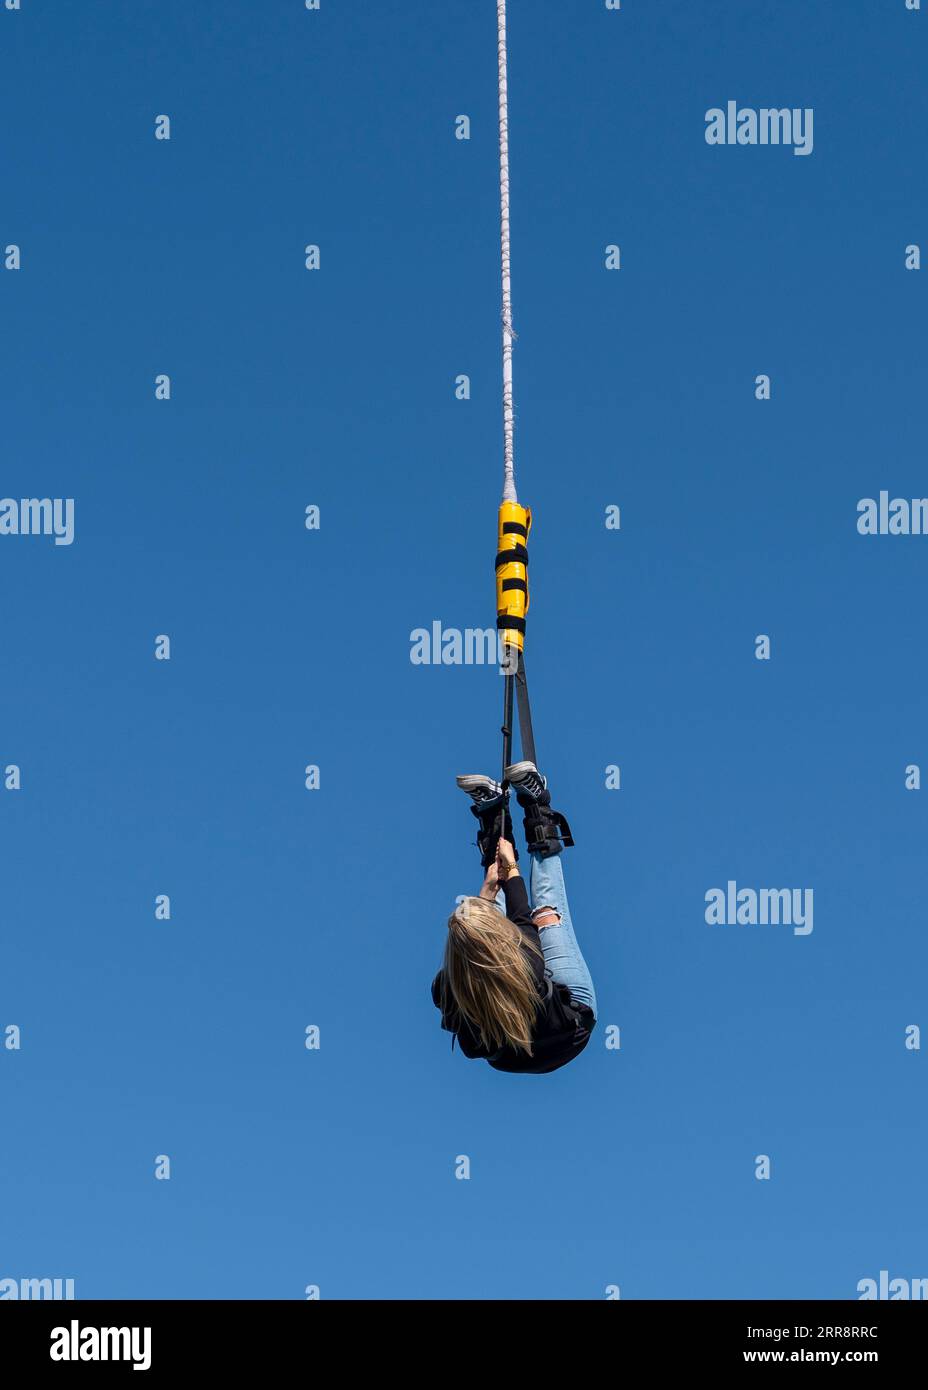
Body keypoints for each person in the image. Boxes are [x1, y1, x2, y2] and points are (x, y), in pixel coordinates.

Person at [431, 761, 597, 1074]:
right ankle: (538, 803)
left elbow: (480, 932)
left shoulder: (445, 988)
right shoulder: (530, 970)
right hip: (568, 1027)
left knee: (486, 919)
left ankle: (495, 818)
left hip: (518, 1041)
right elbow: (524, 921)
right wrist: (511, 869)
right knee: (546, 914)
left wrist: (488, 892)